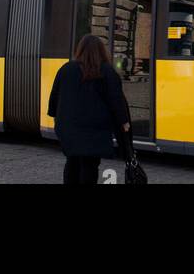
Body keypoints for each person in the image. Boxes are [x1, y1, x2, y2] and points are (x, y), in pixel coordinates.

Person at [47, 35, 132, 185]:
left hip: (69, 127)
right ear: (101, 51)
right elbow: (116, 100)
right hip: (94, 128)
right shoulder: (106, 71)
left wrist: (57, 117)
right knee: (90, 164)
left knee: (72, 161)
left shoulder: (66, 69)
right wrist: (123, 121)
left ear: (80, 50)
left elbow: (54, 97)